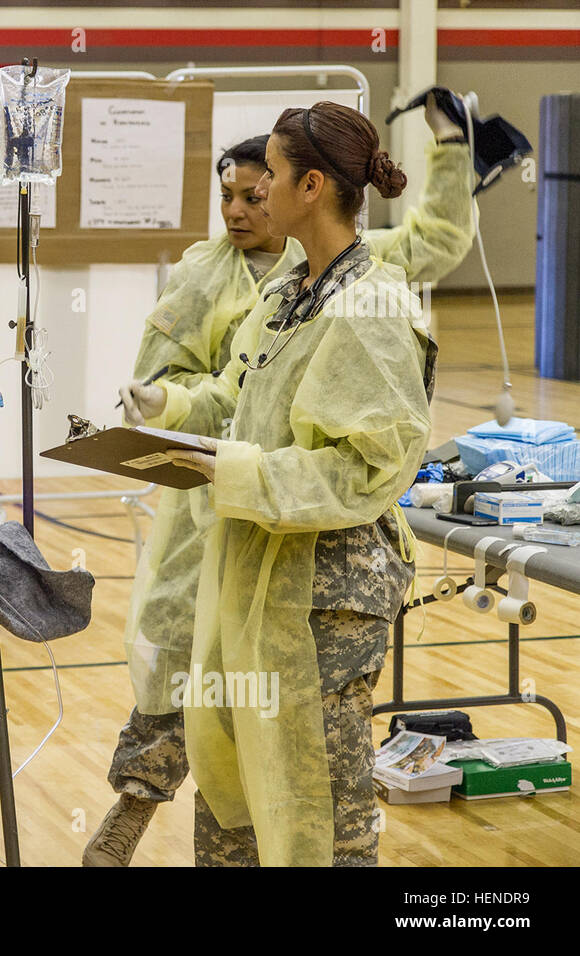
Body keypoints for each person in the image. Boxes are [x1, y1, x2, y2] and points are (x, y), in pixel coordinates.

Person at [84, 97, 474, 866]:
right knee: (231, 777)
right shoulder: (291, 290)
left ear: (312, 187)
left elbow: (365, 467)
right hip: (257, 571)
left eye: (268, 180)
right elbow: (236, 389)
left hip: (329, 590)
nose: (248, 199)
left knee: (319, 800)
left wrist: (234, 469)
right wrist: (170, 407)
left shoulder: (370, 303)